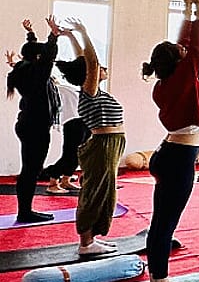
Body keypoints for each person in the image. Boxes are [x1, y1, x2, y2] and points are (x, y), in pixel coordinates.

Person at [142, 0, 199, 282]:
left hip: (170, 156)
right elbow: (197, 49)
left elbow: (183, 51)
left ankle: (158, 279)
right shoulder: (181, 79)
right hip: (178, 161)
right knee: (165, 224)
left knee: (161, 222)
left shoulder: (164, 84)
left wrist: (186, 9)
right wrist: (197, 7)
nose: (186, 53)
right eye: (180, 53)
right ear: (177, 62)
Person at [58, 20, 125, 256]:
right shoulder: (89, 91)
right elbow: (92, 63)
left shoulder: (94, 92)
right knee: (94, 192)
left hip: (110, 145)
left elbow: (85, 62)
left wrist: (70, 37)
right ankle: (85, 243)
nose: (102, 68)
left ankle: (92, 238)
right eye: (99, 68)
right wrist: (85, 32)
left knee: (105, 192)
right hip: (102, 145)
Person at [6, 17, 63, 222]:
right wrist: (53, 36)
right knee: (31, 170)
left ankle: (25, 210)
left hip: (26, 123)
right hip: (35, 127)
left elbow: (33, 53)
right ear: (38, 57)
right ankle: (25, 212)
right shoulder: (37, 73)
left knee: (29, 168)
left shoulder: (21, 69)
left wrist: (30, 34)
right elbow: (47, 55)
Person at [42, 76, 86, 194]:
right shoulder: (55, 91)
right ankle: (53, 182)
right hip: (72, 122)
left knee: (78, 154)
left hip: (82, 120)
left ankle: (65, 180)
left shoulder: (66, 88)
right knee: (70, 154)